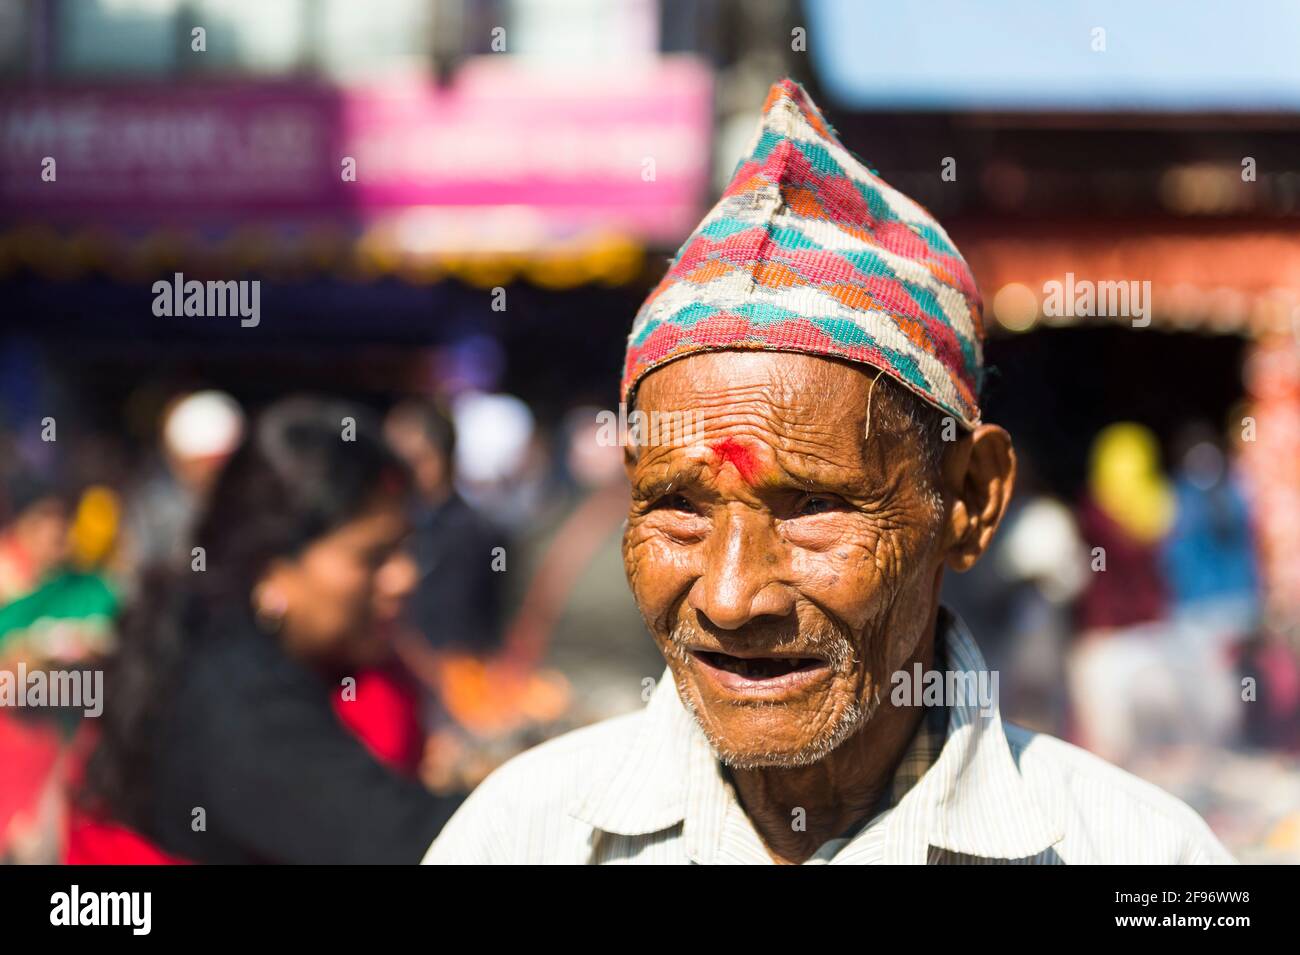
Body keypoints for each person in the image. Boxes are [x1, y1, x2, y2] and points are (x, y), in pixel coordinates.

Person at [424, 79, 1233, 865]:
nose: (731, 597)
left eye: (812, 504)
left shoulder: (1140, 853)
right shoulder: (520, 838)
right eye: (677, 506)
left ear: (970, 498)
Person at [74, 397, 460, 863]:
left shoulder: (295, 663)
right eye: (373, 557)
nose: (405, 577)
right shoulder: (238, 698)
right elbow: (404, 841)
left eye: (405, 549)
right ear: (273, 571)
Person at [383, 398, 507, 654]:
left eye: (415, 460)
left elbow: (463, 631)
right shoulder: (384, 531)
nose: (403, 474)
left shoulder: (475, 534)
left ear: (444, 457)